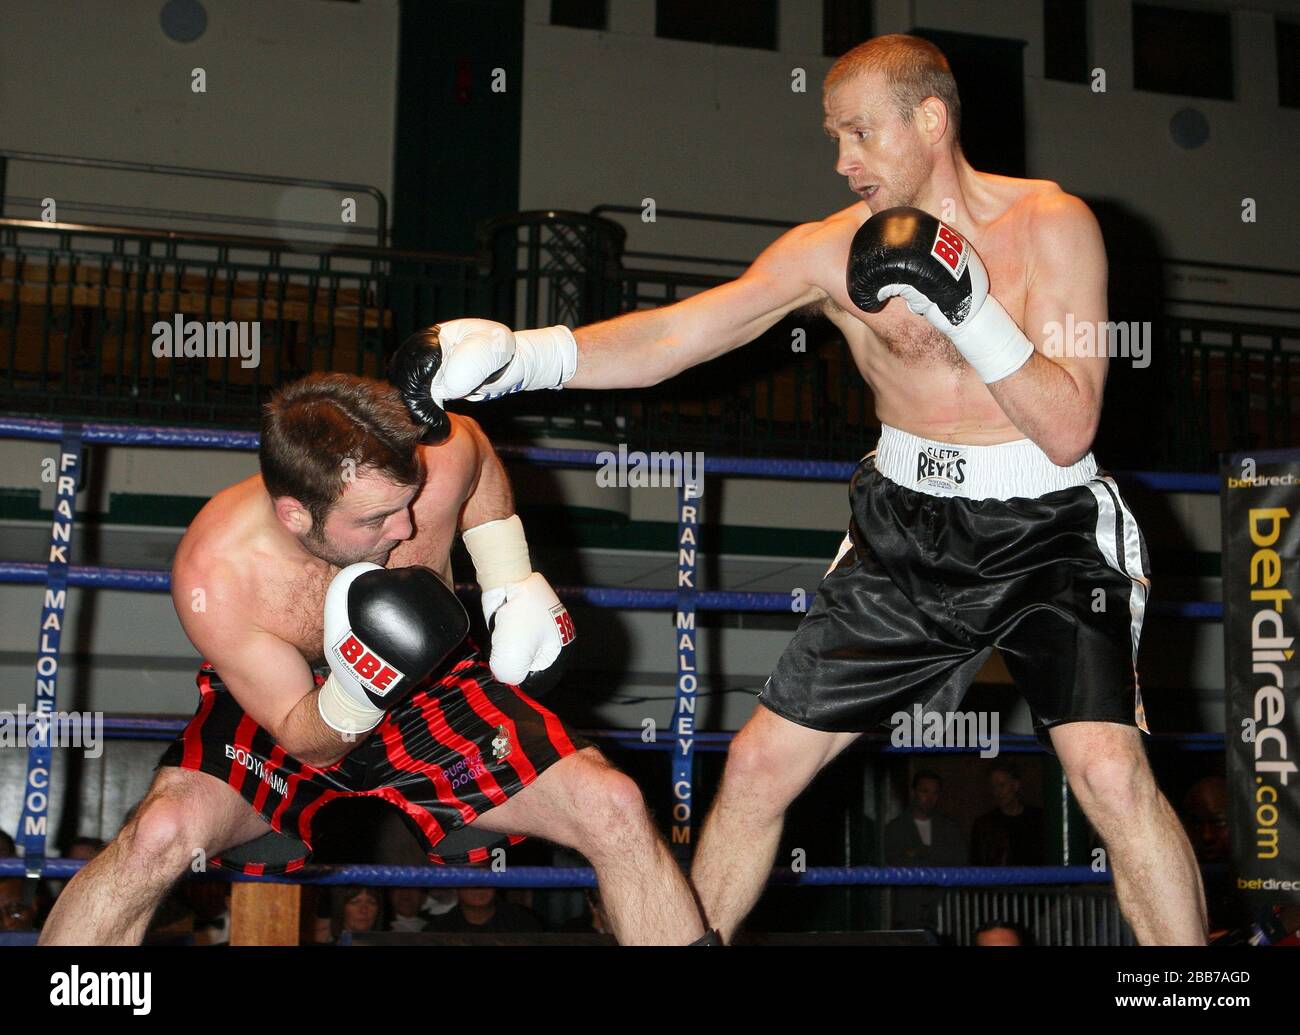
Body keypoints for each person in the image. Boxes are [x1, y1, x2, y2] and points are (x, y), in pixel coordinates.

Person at [402, 33, 1205, 945]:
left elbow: (1070, 426)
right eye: (835, 137)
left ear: (931, 119)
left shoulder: (1052, 225)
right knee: (756, 766)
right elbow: (680, 336)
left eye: (860, 134)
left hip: (1049, 529)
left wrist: (970, 309)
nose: (842, 160)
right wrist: (524, 356)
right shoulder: (830, 252)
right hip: (904, 529)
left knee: (1108, 772)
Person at [41, 373, 711, 946]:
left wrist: (510, 578)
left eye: (409, 502)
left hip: (435, 687)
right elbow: (306, 737)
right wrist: (363, 683)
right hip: (296, 704)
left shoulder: (440, 459)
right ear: (296, 514)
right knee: (158, 834)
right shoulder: (218, 574)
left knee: (615, 804)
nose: (406, 529)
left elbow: (476, 457)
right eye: (376, 519)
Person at [883, 770, 966, 930]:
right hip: (909, 911)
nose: (930, 798)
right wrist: (938, 857)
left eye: (935, 793)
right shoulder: (896, 828)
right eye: (924, 791)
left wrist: (919, 852)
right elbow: (897, 863)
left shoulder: (949, 827)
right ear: (913, 792)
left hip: (944, 910)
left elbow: (960, 859)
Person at [969, 762, 1045, 865]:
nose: (997, 792)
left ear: (1015, 785)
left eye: (1001, 785)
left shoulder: (1037, 819)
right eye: (993, 787)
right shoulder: (984, 825)